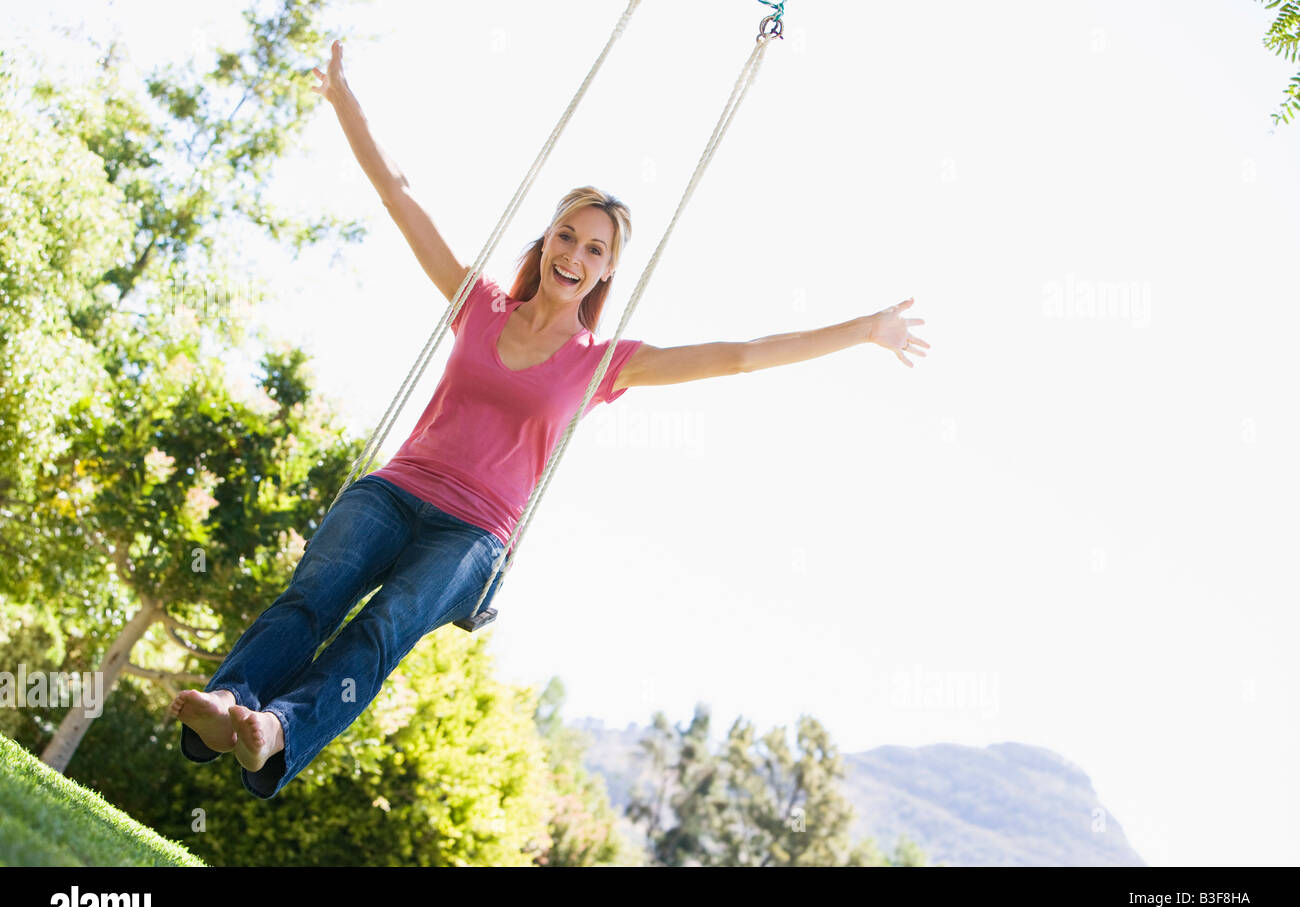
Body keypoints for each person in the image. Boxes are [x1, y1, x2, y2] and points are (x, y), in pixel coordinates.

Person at [169, 39, 930, 799]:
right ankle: (228, 705)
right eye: (567, 234)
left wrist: (864, 329)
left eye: (595, 249)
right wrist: (345, 103)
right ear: (547, 240)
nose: (576, 252)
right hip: (395, 489)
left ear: (605, 271)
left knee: (383, 628)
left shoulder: (604, 362)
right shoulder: (478, 304)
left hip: (471, 536)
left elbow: (739, 355)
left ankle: (276, 730)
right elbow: (400, 196)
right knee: (311, 597)